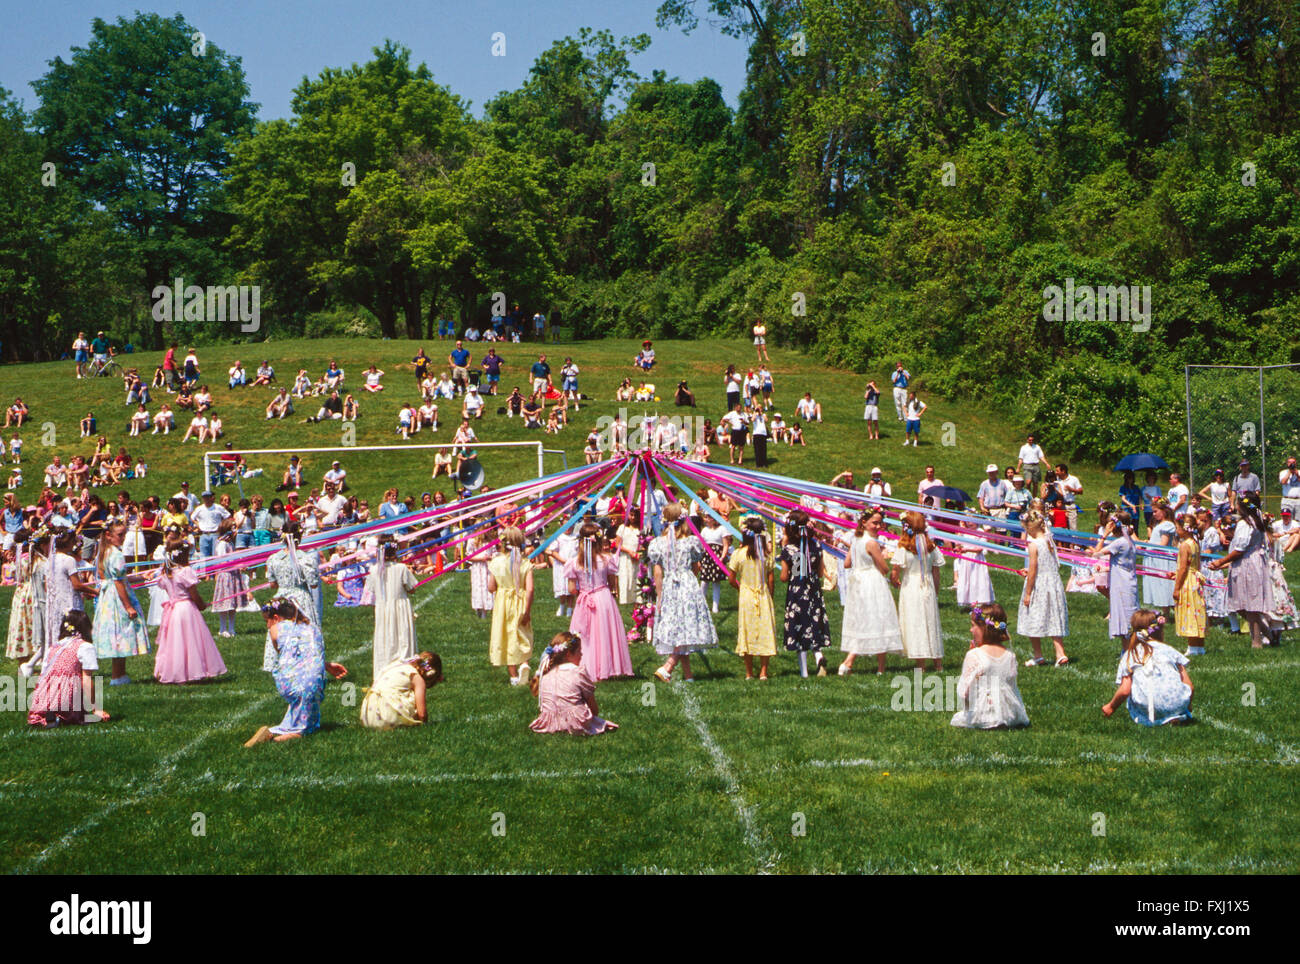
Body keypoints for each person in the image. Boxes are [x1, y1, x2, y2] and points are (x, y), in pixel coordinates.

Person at [245, 599, 348, 745]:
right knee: (307, 728)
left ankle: (283, 731)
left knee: (300, 698)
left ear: (276, 618)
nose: (267, 625)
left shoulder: (276, 629)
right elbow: (310, 655)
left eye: (266, 621)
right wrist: (325, 665)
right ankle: (283, 737)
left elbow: (288, 655)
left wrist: (325, 665)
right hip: (311, 685)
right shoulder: (314, 628)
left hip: (287, 683)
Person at [649, 504, 718, 682]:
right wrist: (687, 577)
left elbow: (658, 572)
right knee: (686, 628)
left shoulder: (657, 543)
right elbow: (697, 567)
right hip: (687, 585)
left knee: (681, 628)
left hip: (669, 586)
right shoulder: (690, 542)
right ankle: (668, 666)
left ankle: (688, 675)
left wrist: (659, 595)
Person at [837, 509, 903, 676]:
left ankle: (854, 662)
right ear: (864, 522)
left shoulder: (855, 540)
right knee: (879, 619)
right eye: (874, 522)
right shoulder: (871, 543)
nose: (878, 526)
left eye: (880, 523)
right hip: (872, 582)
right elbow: (885, 567)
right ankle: (877, 668)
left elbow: (846, 563)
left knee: (864, 620)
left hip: (857, 582)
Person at [153, 543, 228, 684]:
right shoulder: (185, 571)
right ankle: (192, 672)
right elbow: (193, 593)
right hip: (186, 609)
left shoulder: (165, 573)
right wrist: (201, 605)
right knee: (190, 640)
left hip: (173, 610)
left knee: (176, 642)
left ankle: (177, 672)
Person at [1103, 610, 1194, 726]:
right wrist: (1188, 704)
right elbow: (1189, 685)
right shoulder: (1170, 651)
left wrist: (1110, 707)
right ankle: (1174, 714)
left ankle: (1155, 717)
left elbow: (1125, 690)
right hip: (1179, 705)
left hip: (1149, 709)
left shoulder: (1131, 655)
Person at [565, 523, 632, 681]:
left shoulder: (574, 562)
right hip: (603, 598)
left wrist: (583, 591)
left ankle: (585, 665)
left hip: (585, 599)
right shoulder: (606, 559)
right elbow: (611, 580)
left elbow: (571, 589)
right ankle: (606, 667)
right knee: (604, 633)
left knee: (586, 634)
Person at [950, 603, 1030, 730]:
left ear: (984, 628)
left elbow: (964, 692)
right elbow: (1013, 688)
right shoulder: (1010, 655)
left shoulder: (974, 655)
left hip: (982, 714)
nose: (971, 630)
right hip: (1010, 713)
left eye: (973, 626)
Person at [1208, 494, 1273, 648]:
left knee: (1250, 605)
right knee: (1243, 605)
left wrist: (1220, 561)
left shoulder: (1246, 523)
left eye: (1237, 503)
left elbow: (1240, 550)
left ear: (1242, 506)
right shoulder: (1256, 521)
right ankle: (1269, 633)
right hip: (1252, 563)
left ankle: (1256, 642)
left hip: (1248, 565)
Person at [27, 611, 111, 727]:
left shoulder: (54, 647)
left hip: (43, 696)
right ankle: (62, 716)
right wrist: (96, 708)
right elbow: (86, 680)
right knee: (76, 710)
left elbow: (43, 675)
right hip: (66, 695)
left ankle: (49, 715)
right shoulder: (85, 647)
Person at [91, 521, 149, 684]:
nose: (123, 538)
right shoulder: (116, 554)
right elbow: (118, 582)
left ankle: (120, 674)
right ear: (108, 535)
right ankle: (117, 675)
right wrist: (128, 606)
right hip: (117, 597)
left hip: (108, 596)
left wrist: (139, 576)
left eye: (124, 534)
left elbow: (115, 577)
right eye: (120, 535)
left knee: (117, 632)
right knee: (121, 632)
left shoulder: (105, 552)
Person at [528, 632, 618, 735]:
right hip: (576, 723)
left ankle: (560, 724)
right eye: (579, 651)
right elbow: (593, 708)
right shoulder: (577, 671)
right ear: (568, 654)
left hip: (549, 723)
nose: (581, 655)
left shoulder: (545, 673)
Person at [778, 510, 831, 677]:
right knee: (813, 625)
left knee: (799, 628)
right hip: (813, 591)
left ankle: (804, 673)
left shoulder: (789, 550)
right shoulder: (816, 546)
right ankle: (819, 657)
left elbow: (784, 577)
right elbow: (821, 573)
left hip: (797, 593)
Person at [262, 522, 321, 673]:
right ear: (299, 537)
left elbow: (272, 583)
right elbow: (313, 584)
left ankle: (276, 662)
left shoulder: (274, 559)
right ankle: (305, 662)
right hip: (300, 598)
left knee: (279, 630)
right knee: (304, 630)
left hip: (280, 600)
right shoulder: (306, 558)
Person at [1016, 508, 1070, 667]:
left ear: (1030, 528)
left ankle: (1038, 654)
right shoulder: (1049, 540)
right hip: (1053, 582)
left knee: (1033, 615)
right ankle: (1060, 653)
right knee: (1053, 615)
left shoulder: (1034, 544)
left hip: (1039, 584)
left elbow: (1033, 570)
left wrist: (1027, 593)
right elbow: (1048, 563)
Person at [892, 511, 944, 671]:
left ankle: (921, 665)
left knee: (915, 622)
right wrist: (935, 591)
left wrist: (895, 580)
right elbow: (936, 572)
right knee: (931, 621)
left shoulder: (903, 547)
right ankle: (938, 664)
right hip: (927, 585)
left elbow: (895, 571)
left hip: (911, 588)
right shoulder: (931, 546)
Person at [728, 516, 776, 680]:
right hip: (763, 594)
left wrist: (741, 588)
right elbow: (770, 579)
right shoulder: (766, 555)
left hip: (747, 596)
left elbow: (731, 579)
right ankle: (763, 672)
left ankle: (749, 673)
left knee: (746, 630)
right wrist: (771, 594)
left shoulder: (738, 554)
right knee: (765, 630)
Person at [486, 526, 535, 686]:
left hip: (502, 603)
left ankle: (513, 676)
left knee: (506, 635)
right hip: (520, 601)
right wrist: (527, 610)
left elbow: (491, 587)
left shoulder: (496, 562)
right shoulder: (525, 563)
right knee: (522, 633)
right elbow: (530, 589)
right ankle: (524, 664)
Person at [366, 542, 419, 681]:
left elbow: (371, 589)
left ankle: (384, 667)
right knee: (402, 635)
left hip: (382, 608)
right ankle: (405, 668)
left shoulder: (374, 569)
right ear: (395, 553)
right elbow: (412, 589)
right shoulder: (401, 568)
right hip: (400, 607)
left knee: (384, 635)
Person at [360, 652, 444, 729]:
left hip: (368, 714)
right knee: (412, 696)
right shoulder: (417, 678)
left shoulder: (398, 665)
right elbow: (422, 714)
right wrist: (424, 723)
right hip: (387, 715)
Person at [1172, 513, 1207, 655]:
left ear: (1184, 529)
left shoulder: (1184, 545)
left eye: (1177, 527)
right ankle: (1199, 646)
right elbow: (1195, 565)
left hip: (1187, 580)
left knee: (1189, 610)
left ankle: (1192, 647)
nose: (1176, 530)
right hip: (1195, 579)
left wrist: (1176, 588)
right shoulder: (1195, 543)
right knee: (1197, 610)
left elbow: (1183, 568)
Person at [1142, 500, 1177, 614]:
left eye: (1156, 511)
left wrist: (1148, 545)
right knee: (1159, 586)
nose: (1153, 514)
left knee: (1165, 586)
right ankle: (1165, 614)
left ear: (1164, 511)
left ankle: (1175, 613)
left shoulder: (1167, 525)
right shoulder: (1159, 524)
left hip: (1162, 559)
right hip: (1155, 557)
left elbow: (1163, 544)